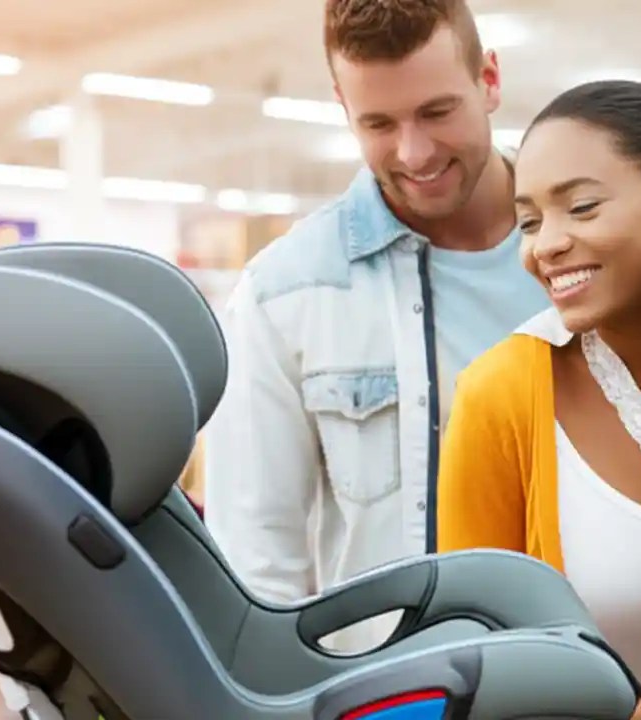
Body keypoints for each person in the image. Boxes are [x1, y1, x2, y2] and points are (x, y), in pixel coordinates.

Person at [202, 0, 548, 652]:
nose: (414, 153)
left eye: (437, 112)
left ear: (490, 80)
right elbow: (256, 555)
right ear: (342, 105)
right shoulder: (287, 292)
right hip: (395, 687)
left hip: (580, 677)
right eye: (379, 123)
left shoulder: (585, 254)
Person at [436, 80, 641, 706]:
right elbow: (476, 649)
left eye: (582, 207)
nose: (546, 245)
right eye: (530, 221)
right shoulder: (501, 394)